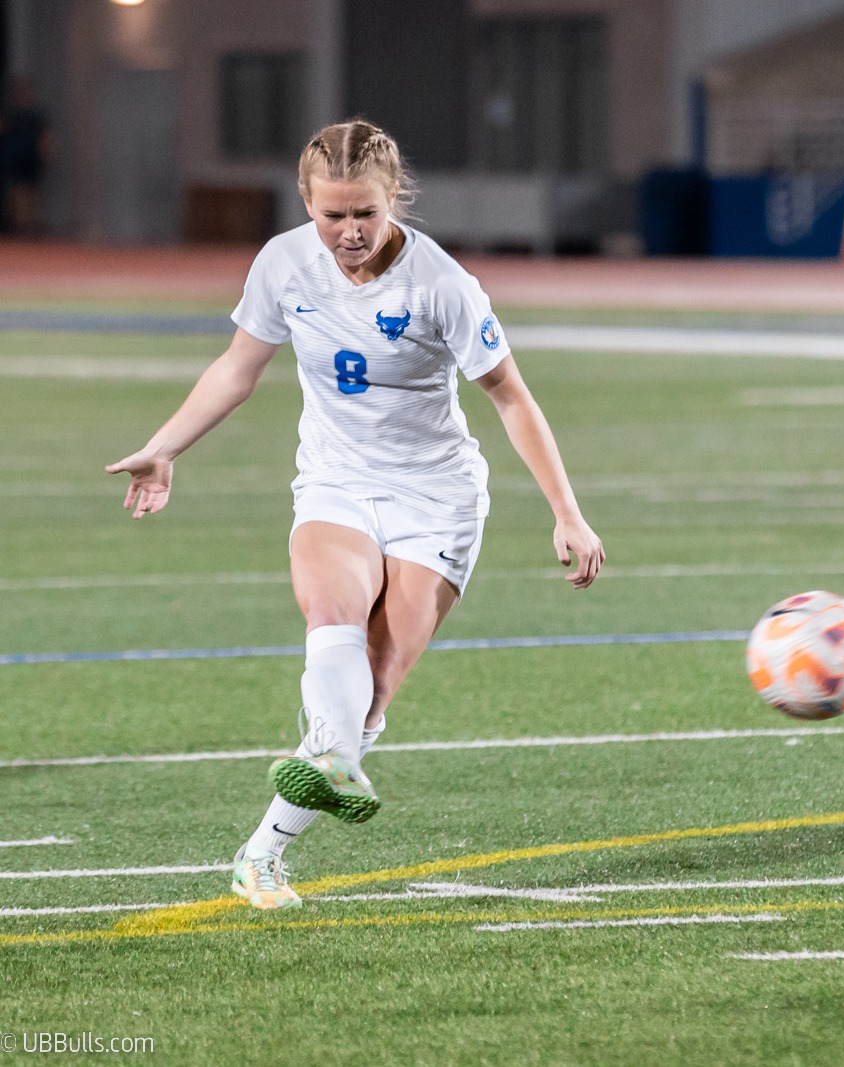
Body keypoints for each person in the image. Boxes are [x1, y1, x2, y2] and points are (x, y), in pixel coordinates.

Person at [107, 120, 605, 911]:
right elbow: (237, 368)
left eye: (363, 214)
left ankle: (263, 847)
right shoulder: (283, 264)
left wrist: (567, 513)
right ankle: (328, 764)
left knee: (373, 685)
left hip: (436, 497)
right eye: (331, 215)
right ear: (306, 202)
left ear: (392, 198)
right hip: (337, 480)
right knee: (331, 612)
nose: (348, 232)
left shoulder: (441, 284)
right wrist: (165, 447)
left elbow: (510, 395)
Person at [0, 77, 50, 236]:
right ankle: (20, 225)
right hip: (15, 159)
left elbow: (44, 137)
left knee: (32, 192)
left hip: (31, 159)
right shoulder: (10, 114)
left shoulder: (35, 116)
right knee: (18, 192)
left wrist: (46, 151)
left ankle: (31, 225)